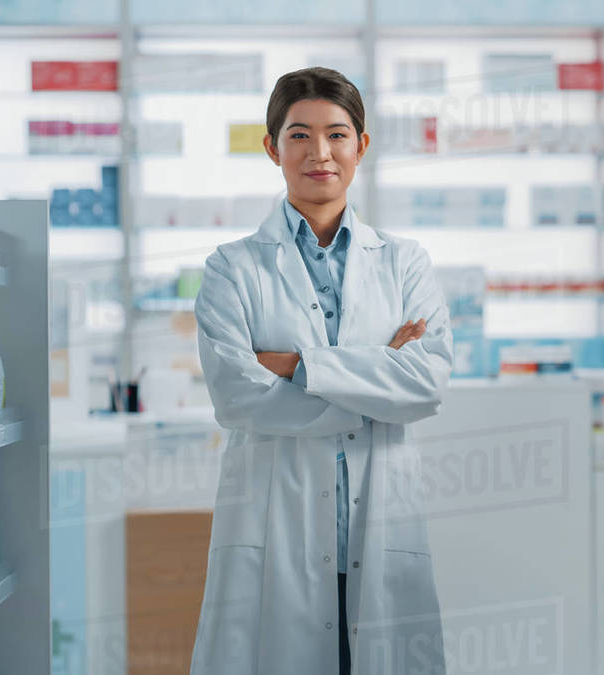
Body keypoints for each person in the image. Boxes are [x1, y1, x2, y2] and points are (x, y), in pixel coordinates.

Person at [190, 66, 452, 675]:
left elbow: (426, 383)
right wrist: (375, 380)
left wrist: (295, 366)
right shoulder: (233, 268)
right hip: (275, 534)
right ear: (272, 148)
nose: (319, 153)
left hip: (379, 526)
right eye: (299, 135)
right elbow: (237, 397)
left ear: (361, 145)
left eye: (337, 134)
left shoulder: (405, 263)